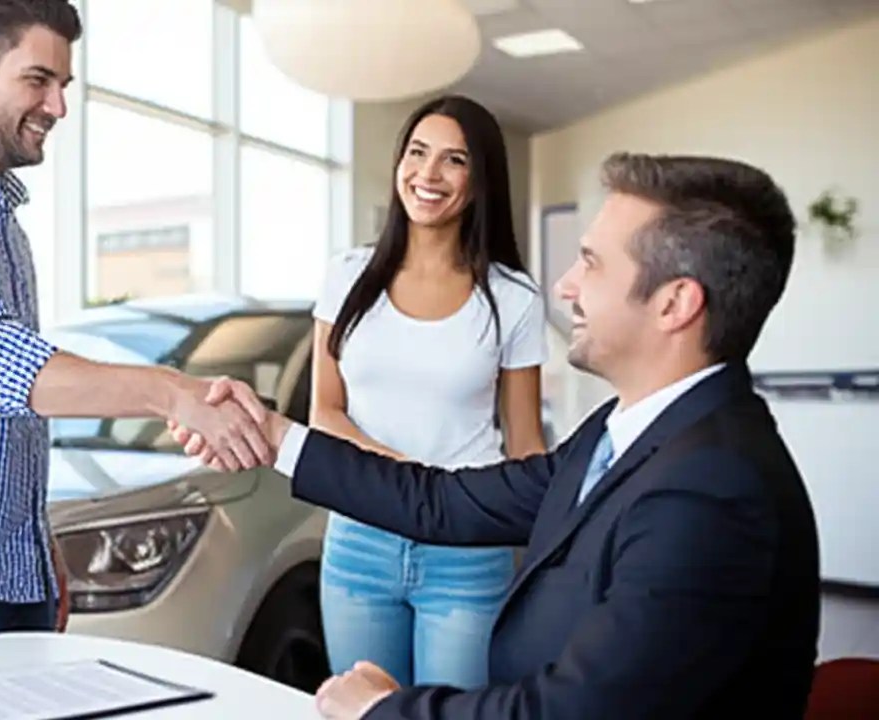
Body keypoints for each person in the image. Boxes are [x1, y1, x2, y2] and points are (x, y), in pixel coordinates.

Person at [177, 152, 821, 719]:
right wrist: (272, 434)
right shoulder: (623, 431)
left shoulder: (713, 490)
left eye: (591, 264)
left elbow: (576, 711)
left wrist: (385, 710)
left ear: (675, 304)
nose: (566, 285)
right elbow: (443, 502)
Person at [0, 0, 271, 639]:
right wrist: (176, 394)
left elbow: (14, 414)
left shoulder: (1, 222)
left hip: (6, 574)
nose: (58, 107)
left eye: (63, 86)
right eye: (38, 81)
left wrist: (38, 549)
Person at [309, 95, 547, 690]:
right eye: (417, 153)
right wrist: (412, 483)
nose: (428, 174)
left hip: (467, 550)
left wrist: (560, 546)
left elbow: (524, 442)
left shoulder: (513, 296)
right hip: (359, 539)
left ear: (481, 176)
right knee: (363, 710)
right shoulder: (348, 275)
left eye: (453, 160)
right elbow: (324, 412)